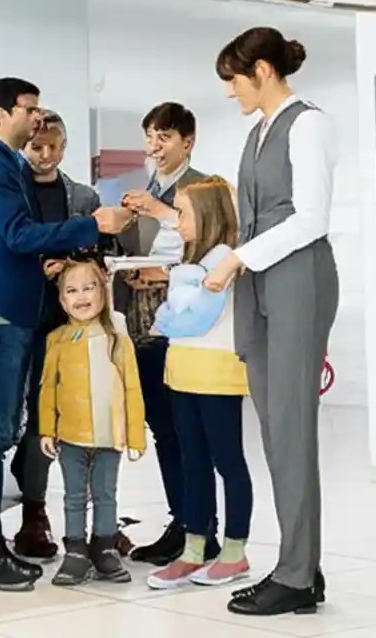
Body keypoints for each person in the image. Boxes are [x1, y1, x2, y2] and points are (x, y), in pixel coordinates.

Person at [0, 77, 134, 592]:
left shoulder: (6, 168)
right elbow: (17, 236)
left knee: (2, 429)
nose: (38, 118)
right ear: (3, 114)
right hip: (0, 316)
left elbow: (16, 240)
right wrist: (90, 225)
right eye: (30, 110)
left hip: (15, 314)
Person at [202, 27, 338, 617]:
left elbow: (311, 217)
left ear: (260, 70)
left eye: (234, 81)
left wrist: (237, 258)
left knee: (290, 430)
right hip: (261, 282)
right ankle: (302, 567)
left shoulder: (308, 123)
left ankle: (296, 575)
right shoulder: (257, 131)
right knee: (276, 433)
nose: (231, 93)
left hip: (296, 279)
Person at [116, 103, 220, 567]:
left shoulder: (202, 189)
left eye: (164, 137)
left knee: (184, 430)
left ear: (187, 142)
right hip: (144, 323)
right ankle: (183, 522)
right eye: (149, 137)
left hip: (181, 324)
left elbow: (211, 249)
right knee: (163, 427)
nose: (154, 147)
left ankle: (200, 529)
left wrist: (161, 266)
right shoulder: (148, 190)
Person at [143, 177, 254, 590]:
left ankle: (235, 552)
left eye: (183, 214)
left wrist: (176, 296)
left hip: (216, 372)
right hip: (185, 369)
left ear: (205, 215)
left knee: (228, 462)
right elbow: (173, 314)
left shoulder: (224, 258)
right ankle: (193, 549)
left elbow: (190, 316)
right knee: (193, 462)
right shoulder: (195, 259)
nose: (178, 223)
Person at [9, 109, 103, 560]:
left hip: (72, 325)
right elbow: (8, 246)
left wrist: (74, 270)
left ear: (64, 147)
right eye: (36, 147)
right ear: (25, 145)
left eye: (53, 148)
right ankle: (33, 512)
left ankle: (90, 521)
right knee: (32, 417)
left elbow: (99, 259)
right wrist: (38, 268)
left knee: (72, 418)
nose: (44, 156)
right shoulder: (13, 192)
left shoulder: (83, 197)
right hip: (25, 318)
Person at [37, 259, 146, 586]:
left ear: (104, 291)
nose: (81, 296)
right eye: (72, 290)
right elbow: (48, 389)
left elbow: (132, 388)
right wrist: (47, 429)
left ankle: (105, 547)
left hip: (108, 438)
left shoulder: (118, 340)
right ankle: (75, 551)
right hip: (71, 437)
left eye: (89, 287)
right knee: (73, 496)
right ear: (61, 300)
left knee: (105, 494)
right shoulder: (56, 340)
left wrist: (135, 435)